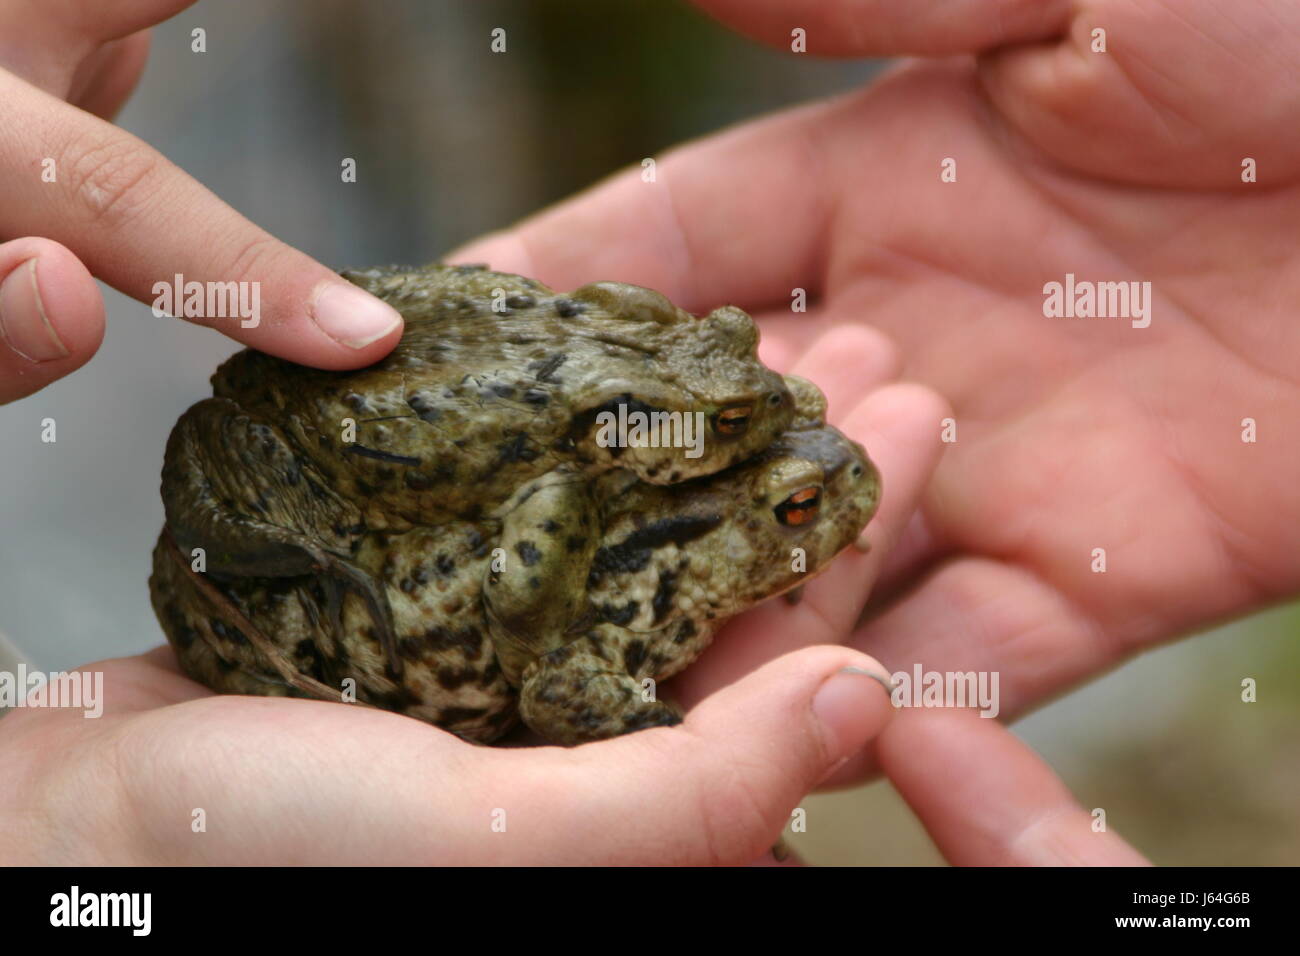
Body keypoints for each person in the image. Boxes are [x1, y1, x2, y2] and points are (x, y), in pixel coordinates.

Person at [7, 0, 1291, 865]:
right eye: (730, 431)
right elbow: (532, 613)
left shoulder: (619, 393)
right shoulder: (566, 486)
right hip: (322, 484)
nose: (775, 426)